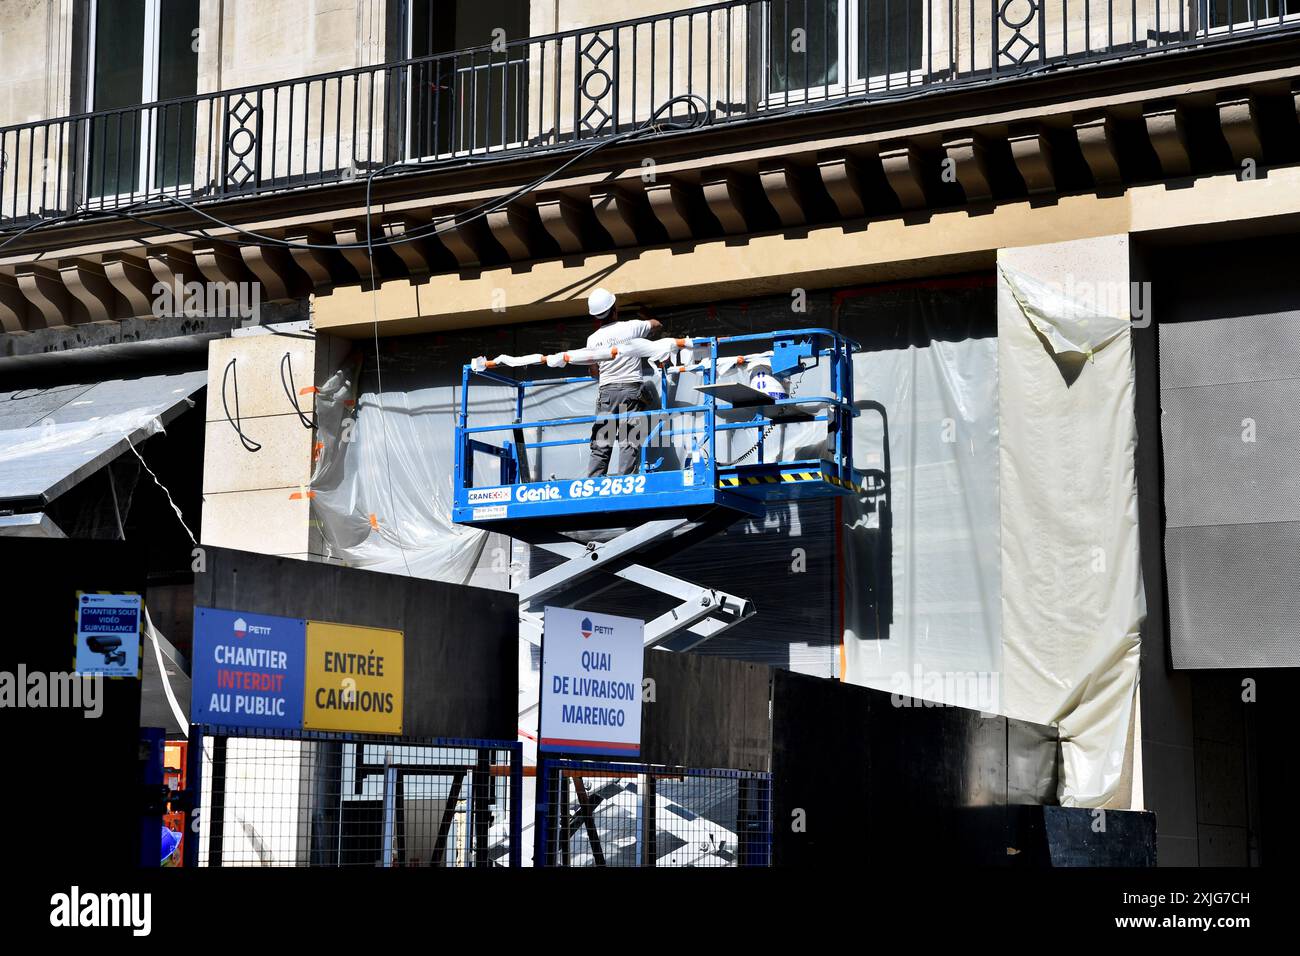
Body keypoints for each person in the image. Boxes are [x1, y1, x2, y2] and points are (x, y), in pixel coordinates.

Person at [584, 287, 662, 477]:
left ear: (596, 317)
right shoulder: (631, 327)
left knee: (603, 439)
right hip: (630, 391)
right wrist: (646, 315)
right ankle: (625, 480)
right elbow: (657, 325)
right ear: (614, 309)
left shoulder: (592, 340)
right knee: (629, 439)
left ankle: (594, 481)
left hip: (607, 392)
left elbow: (594, 372)